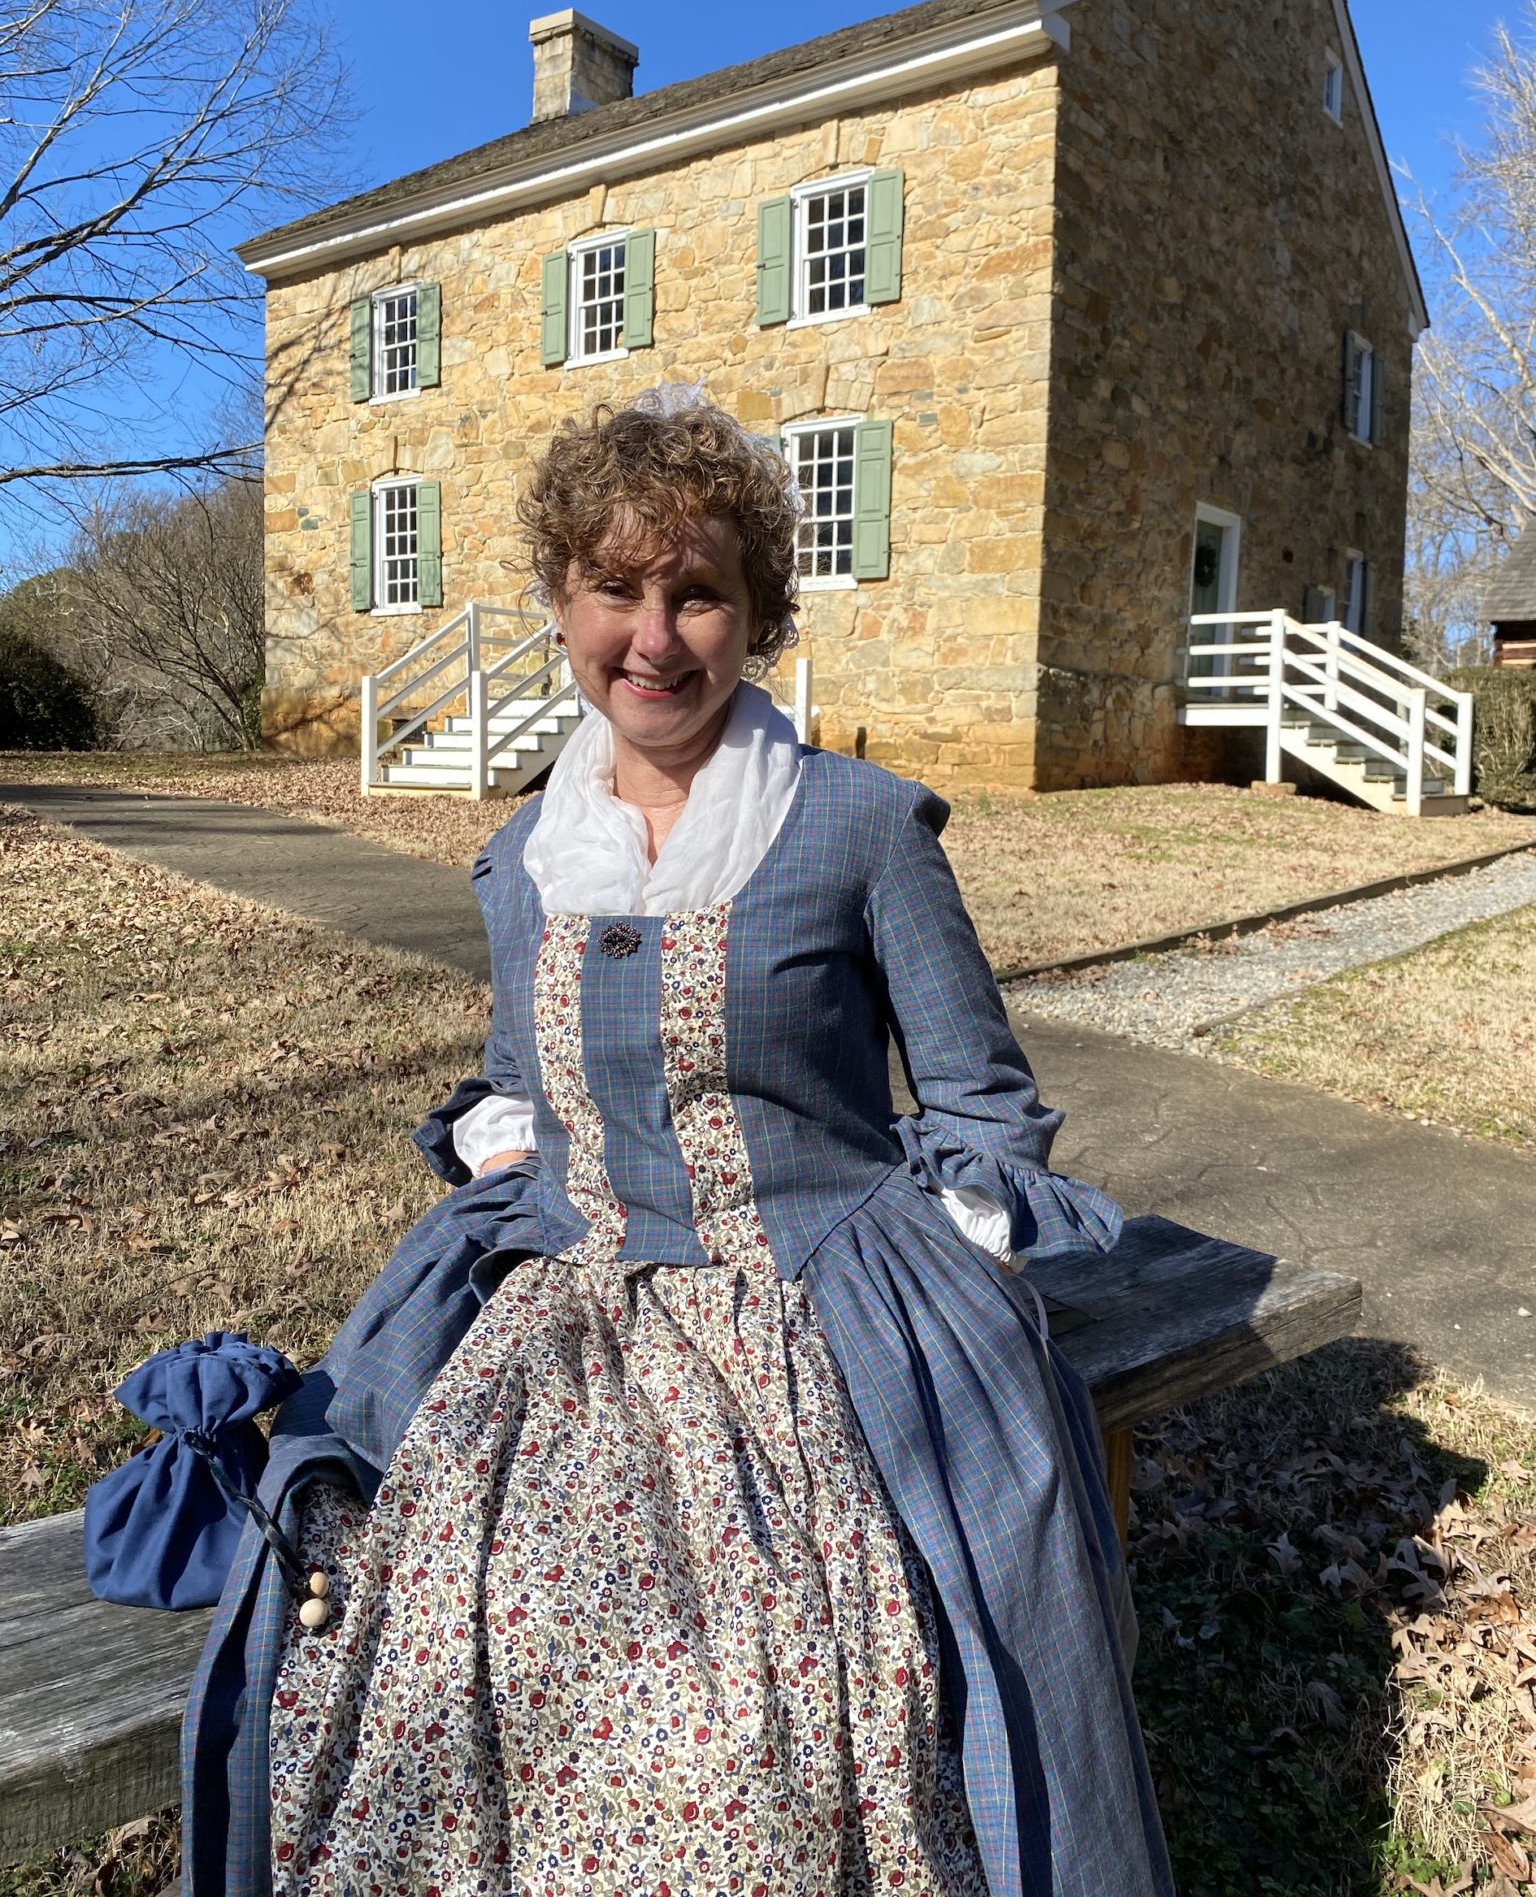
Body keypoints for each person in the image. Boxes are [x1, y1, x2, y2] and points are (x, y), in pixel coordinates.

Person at [180, 391, 1174, 1897]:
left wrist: (948, 1267)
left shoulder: (860, 826)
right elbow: (517, 1082)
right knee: (443, 1647)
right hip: (566, 1328)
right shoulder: (525, 857)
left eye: (697, 592)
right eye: (614, 589)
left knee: (770, 1719)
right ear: (560, 602)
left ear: (757, 614)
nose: (653, 637)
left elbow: (980, 1102)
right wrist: (513, 1170)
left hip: (814, 1320)